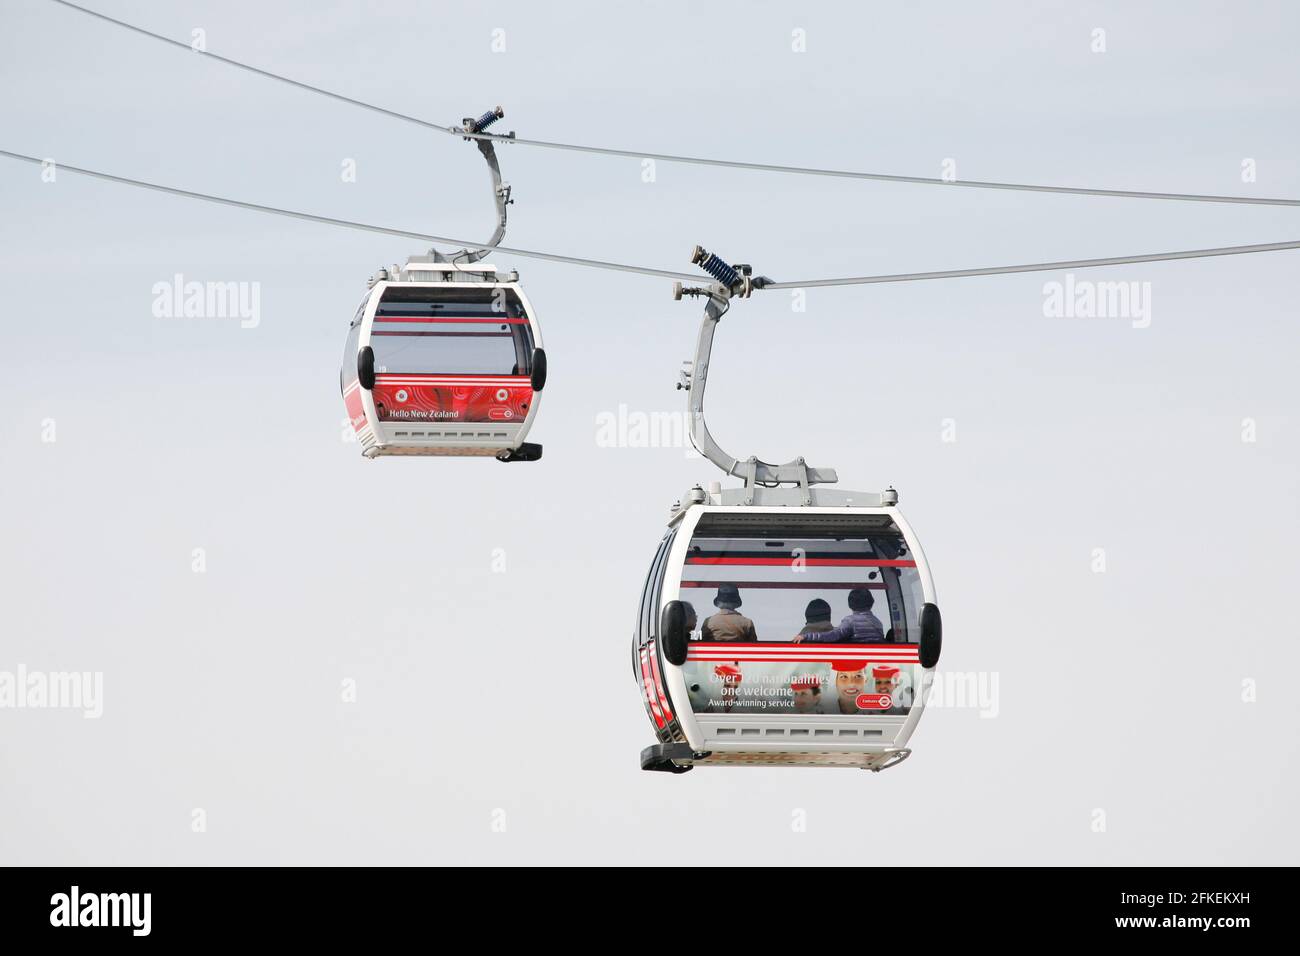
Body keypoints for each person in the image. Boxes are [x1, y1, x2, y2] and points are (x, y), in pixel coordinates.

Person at [792, 588, 884, 643]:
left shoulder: (850, 622)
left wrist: (807, 636)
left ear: (850, 605)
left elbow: (832, 635)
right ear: (872, 603)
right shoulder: (878, 623)